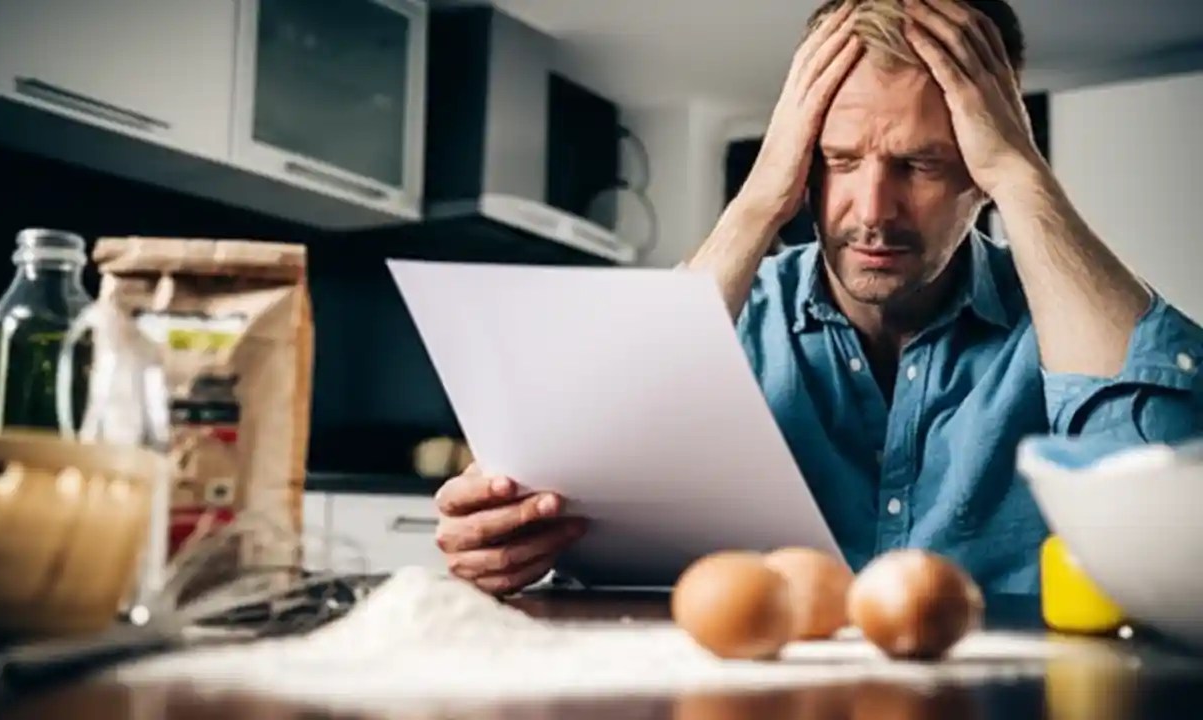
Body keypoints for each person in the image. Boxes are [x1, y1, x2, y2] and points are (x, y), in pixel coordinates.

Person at [431, 0, 1203, 597]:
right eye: (837, 157)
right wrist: (759, 199)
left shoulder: (1063, 326)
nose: (871, 209)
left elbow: (1176, 509)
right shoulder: (732, 313)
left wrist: (1025, 177)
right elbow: (568, 467)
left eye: (923, 164)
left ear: (979, 166)